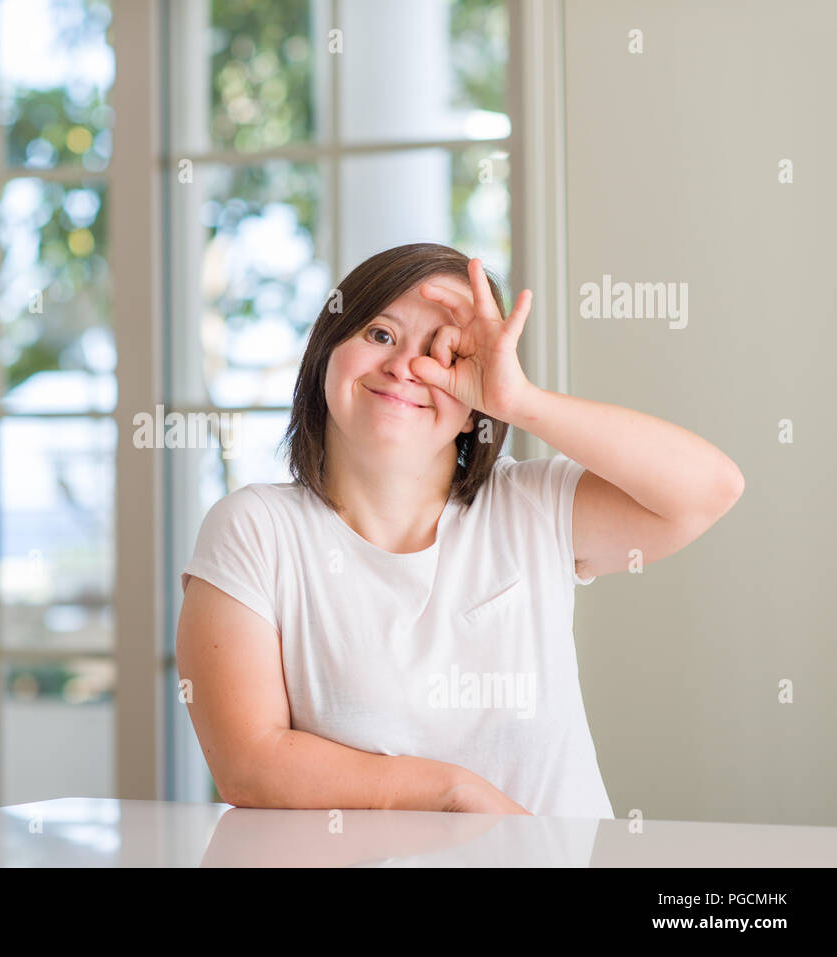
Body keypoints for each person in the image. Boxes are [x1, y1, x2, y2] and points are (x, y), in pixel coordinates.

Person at [176, 242, 744, 816]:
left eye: (443, 353)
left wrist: (518, 400)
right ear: (326, 352)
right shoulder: (254, 530)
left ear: (475, 404)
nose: (404, 366)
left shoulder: (531, 505)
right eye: (379, 334)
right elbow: (248, 765)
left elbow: (710, 490)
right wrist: (452, 792)